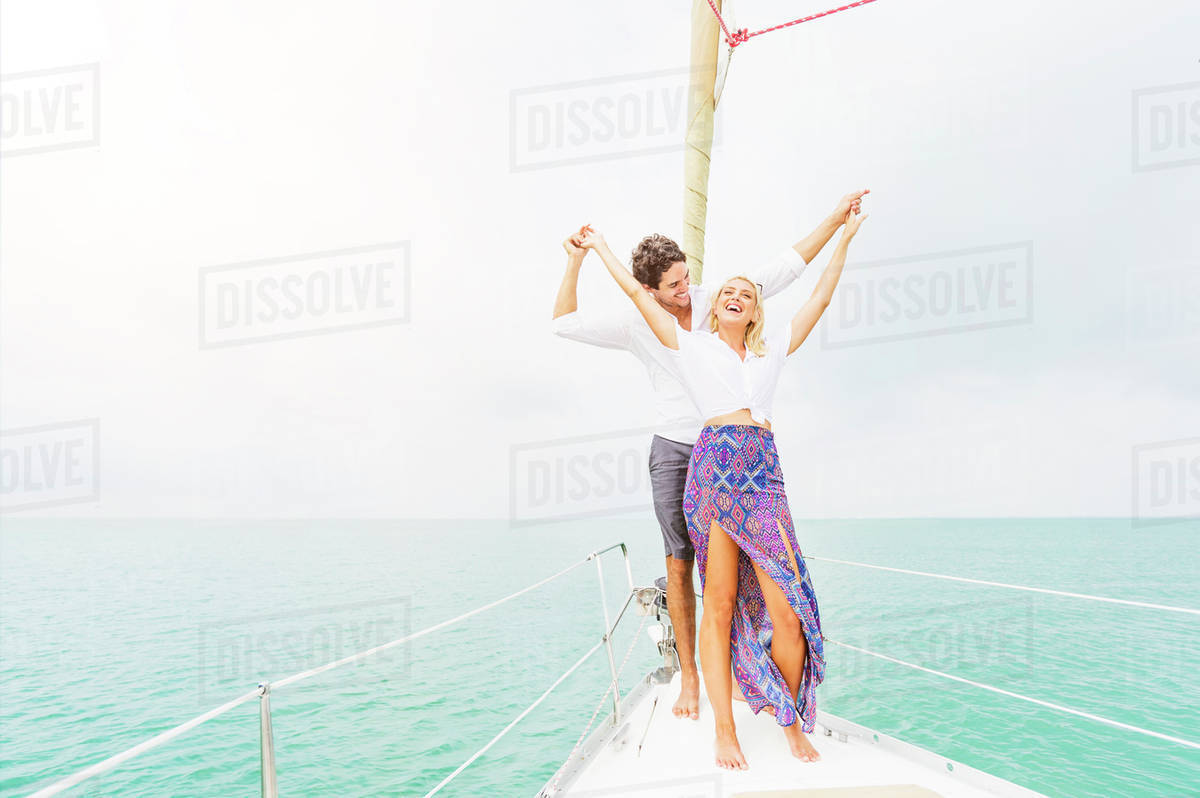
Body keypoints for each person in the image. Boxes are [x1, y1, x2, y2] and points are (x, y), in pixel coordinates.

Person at [552, 192, 867, 722]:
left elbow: (792, 271)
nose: (684, 290)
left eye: (684, 278)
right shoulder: (648, 323)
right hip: (682, 450)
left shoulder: (725, 301)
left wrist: (837, 222)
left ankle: (753, 675)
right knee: (682, 565)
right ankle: (694, 679)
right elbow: (564, 323)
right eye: (672, 286)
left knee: (759, 575)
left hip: (750, 458)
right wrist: (580, 257)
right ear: (653, 291)